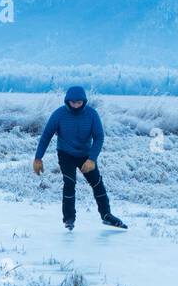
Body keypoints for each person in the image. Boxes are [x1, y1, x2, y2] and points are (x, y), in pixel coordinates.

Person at [33, 86, 127, 230]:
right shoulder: (59, 114)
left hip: (85, 155)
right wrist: (38, 158)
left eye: (79, 102)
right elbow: (46, 135)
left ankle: (106, 215)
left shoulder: (92, 114)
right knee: (69, 183)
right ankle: (69, 218)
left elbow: (99, 137)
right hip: (66, 153)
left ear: (84, 101)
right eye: (73, 102)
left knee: (97, 183)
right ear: (67, 101)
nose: (76, 105)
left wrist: (92, 159)